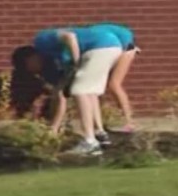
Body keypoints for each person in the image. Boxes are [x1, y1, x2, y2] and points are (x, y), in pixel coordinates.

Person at [12, 24, 123, 156]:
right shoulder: (51, 67)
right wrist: (54, 127)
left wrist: (77, 63)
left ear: (29, 58)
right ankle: (100, 134)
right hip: (111, 46)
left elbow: (70, 36)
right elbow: (60, 96)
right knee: (88, 92)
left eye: (29, 67)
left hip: (100, 45)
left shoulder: (42, 40)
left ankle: (89, 141)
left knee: (80, 91)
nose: (33, 72)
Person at [92, 22, 138, 133]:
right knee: (96, 87)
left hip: (126, 48)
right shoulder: (89, 35)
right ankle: (99, 122)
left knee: (114, 84)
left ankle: (129, 122)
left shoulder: (87, 36)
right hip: (112, 47)